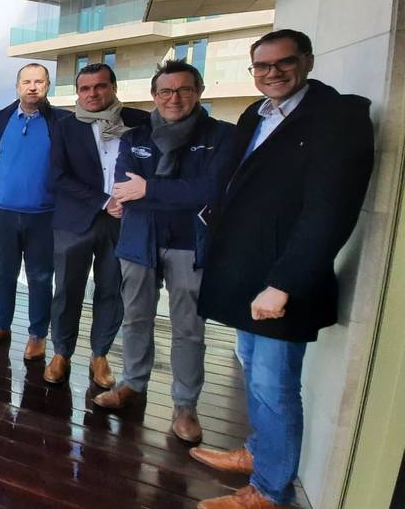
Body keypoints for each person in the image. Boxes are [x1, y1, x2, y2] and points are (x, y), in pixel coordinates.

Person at [190, 30, 373, 509]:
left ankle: (270, 492)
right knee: (254, 372)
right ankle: (258, 453)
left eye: (283, 63)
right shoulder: (257, 113)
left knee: (274, 385)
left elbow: (330, 211)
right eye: (261, 66)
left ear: (307, 60)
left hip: (281, 280)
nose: (272, 73)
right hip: (246, 271)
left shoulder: (338, 119)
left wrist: (283, 283)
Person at [90, 59, 234, 447]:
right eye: (165, 91)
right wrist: (163, 193)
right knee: (135, 318)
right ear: (154, 96)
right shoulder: (136, 136)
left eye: (184, 90)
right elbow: (123, 185)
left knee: (189, 327)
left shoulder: (220, 136)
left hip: (191, 244)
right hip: (139, 240)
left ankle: (185, 405)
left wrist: (149, 191)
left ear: (199, 92)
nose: (174, 98)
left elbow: (211, 191)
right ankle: (132, 383)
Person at [44, 62, 149, 388]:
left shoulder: (139, 122)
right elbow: (57, 176)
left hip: (125, 221)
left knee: (111, 290)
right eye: (85, 88)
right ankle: (61, 352)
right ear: (78, 92)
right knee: (66, 291)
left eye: (100, 86)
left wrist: (130, 200)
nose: (92, 94)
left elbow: (152, 167)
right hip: (75, 220)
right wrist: (104, 201)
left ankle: (99, 355)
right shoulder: (65, 125)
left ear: (113, 87)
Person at [0, 63, 69, 357]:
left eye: (38, 82)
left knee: (40, 277)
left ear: (47, 85)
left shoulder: (62, 123)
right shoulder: (0, 120)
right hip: (2, 214)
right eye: (26, 82)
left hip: (45, 216)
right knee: (4, 273)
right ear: (17, 87)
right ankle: (1, 325)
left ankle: (37, 334)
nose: (32, 87)